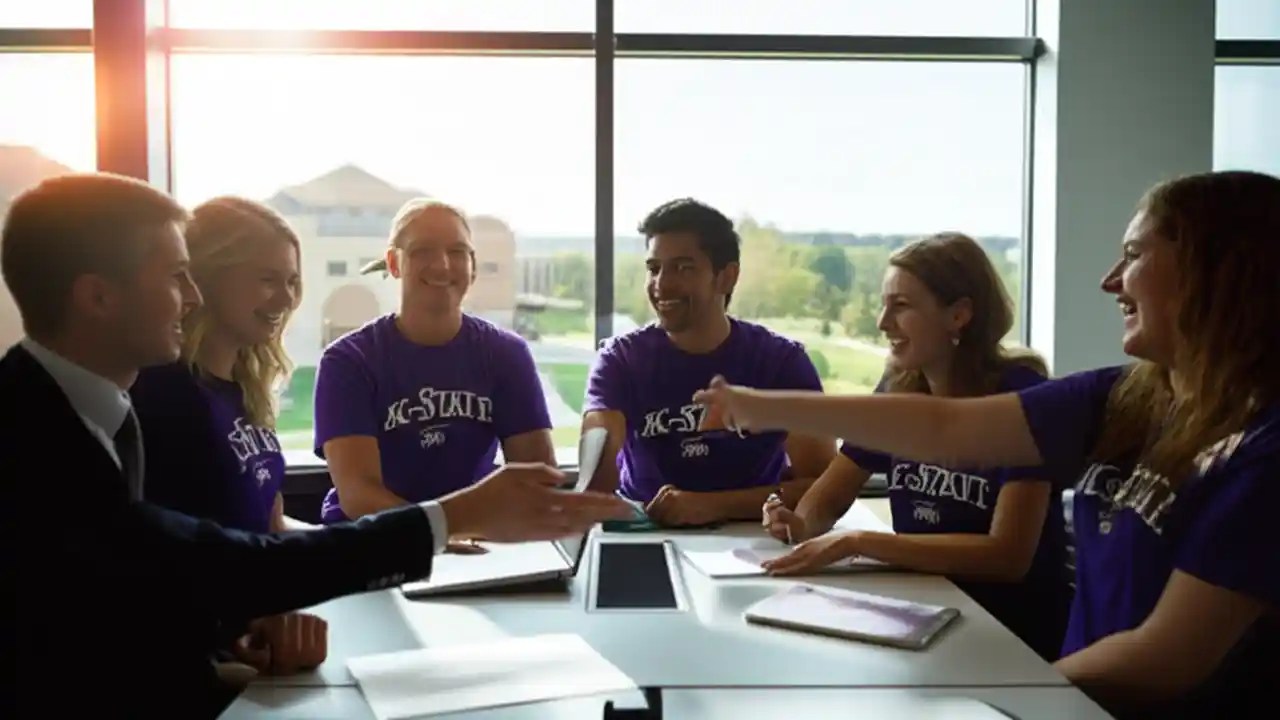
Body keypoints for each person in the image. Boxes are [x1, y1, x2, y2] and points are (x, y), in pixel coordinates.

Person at [0, 173, 631, 717]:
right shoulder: (65, 429)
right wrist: (453, 518)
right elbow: (188, 563)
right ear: (97, 297)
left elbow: (179, 566)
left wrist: (235, 624)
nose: (188, 297)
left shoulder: (126, 403)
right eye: (177, 277)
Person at [694, 171, 1280, 718]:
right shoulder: (1121, 394)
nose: (1109, 281)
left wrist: (1008, 693)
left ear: (1214, 269)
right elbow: (947, 429)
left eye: (1132, 255)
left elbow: (1166, 657)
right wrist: (756, 405)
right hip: (1067, 699)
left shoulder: (1264, 451)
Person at [760, 232, 1069, 662]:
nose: (883, 323)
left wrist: (857, 543)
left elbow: (1007, 555)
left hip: (1011, 638)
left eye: (901, 306)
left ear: (959, 314)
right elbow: (829, 496)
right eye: (884, 305)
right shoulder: (897, 389)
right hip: (926, 615)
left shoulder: (1024, 402)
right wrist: (798, 523)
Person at [129, 196, 325, 677]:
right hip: (199, 659)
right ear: (207, 277)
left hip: (259, 641)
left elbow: (271, 525)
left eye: (292, 282)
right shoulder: (160, 393)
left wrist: (381, 550)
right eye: (267, 280)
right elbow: (149, 558)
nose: (285, 299)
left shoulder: (245, 390)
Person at [582, 198, 834, 526]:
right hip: (646, 534)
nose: (662, 284)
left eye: (683, 268)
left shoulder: (781, 361)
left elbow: (825, 488)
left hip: (756, 538)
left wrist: (715, 505)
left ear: (726, 277)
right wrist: (592, 481)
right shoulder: (620, 359)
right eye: (654, 268)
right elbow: (596, 471)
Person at [313, 198, 555, 528]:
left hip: (476, 542)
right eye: (422, 251)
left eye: (457, 252)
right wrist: (443, 534)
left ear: (472, 264)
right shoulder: (348, 361)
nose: (442, 265)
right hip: (372, 544)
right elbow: (359, 496)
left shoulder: (506, 354)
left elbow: (536, 479)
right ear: (393, 263)